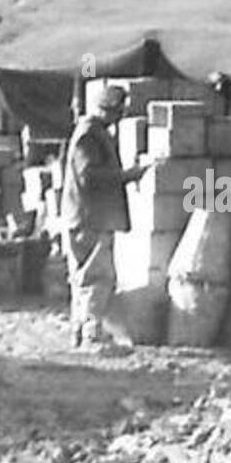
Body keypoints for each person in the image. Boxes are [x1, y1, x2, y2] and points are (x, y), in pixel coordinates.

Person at [59, 83, 149, 348]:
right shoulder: (89, 135)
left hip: (85, 217)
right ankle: (91, 336)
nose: (120, 118)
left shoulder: (93, 132)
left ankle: (81, 333)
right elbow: (89, 176)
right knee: (97, 278)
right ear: (109, 110)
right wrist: (129, 175)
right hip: (90, 218)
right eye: (119, 112)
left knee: (84, 278)